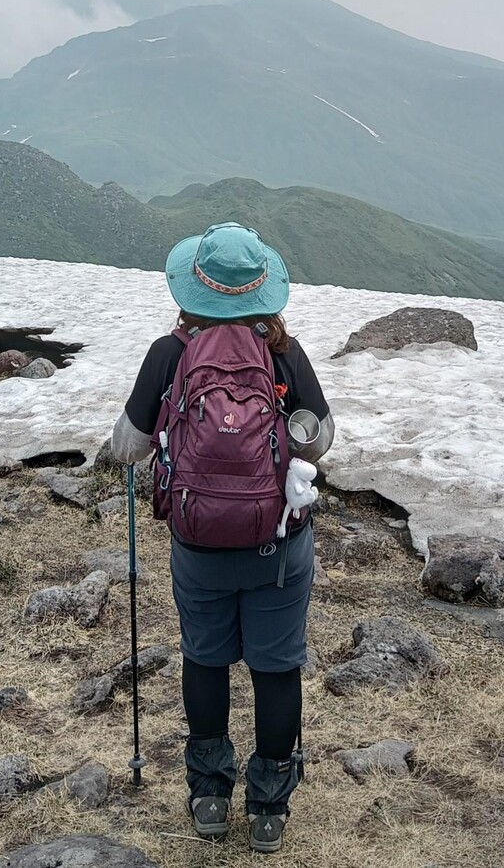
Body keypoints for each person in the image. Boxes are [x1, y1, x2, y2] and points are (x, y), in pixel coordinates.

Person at [111, 221, 334, 854]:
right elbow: (319, 440)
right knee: (276, 664)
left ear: (192, 289)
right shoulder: (286, 355)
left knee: (205, 658)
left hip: (199, 540)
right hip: (279, 547)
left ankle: (209, 794)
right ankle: (269, 807)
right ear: (264, 289)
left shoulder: (169, 353)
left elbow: (128, 447)